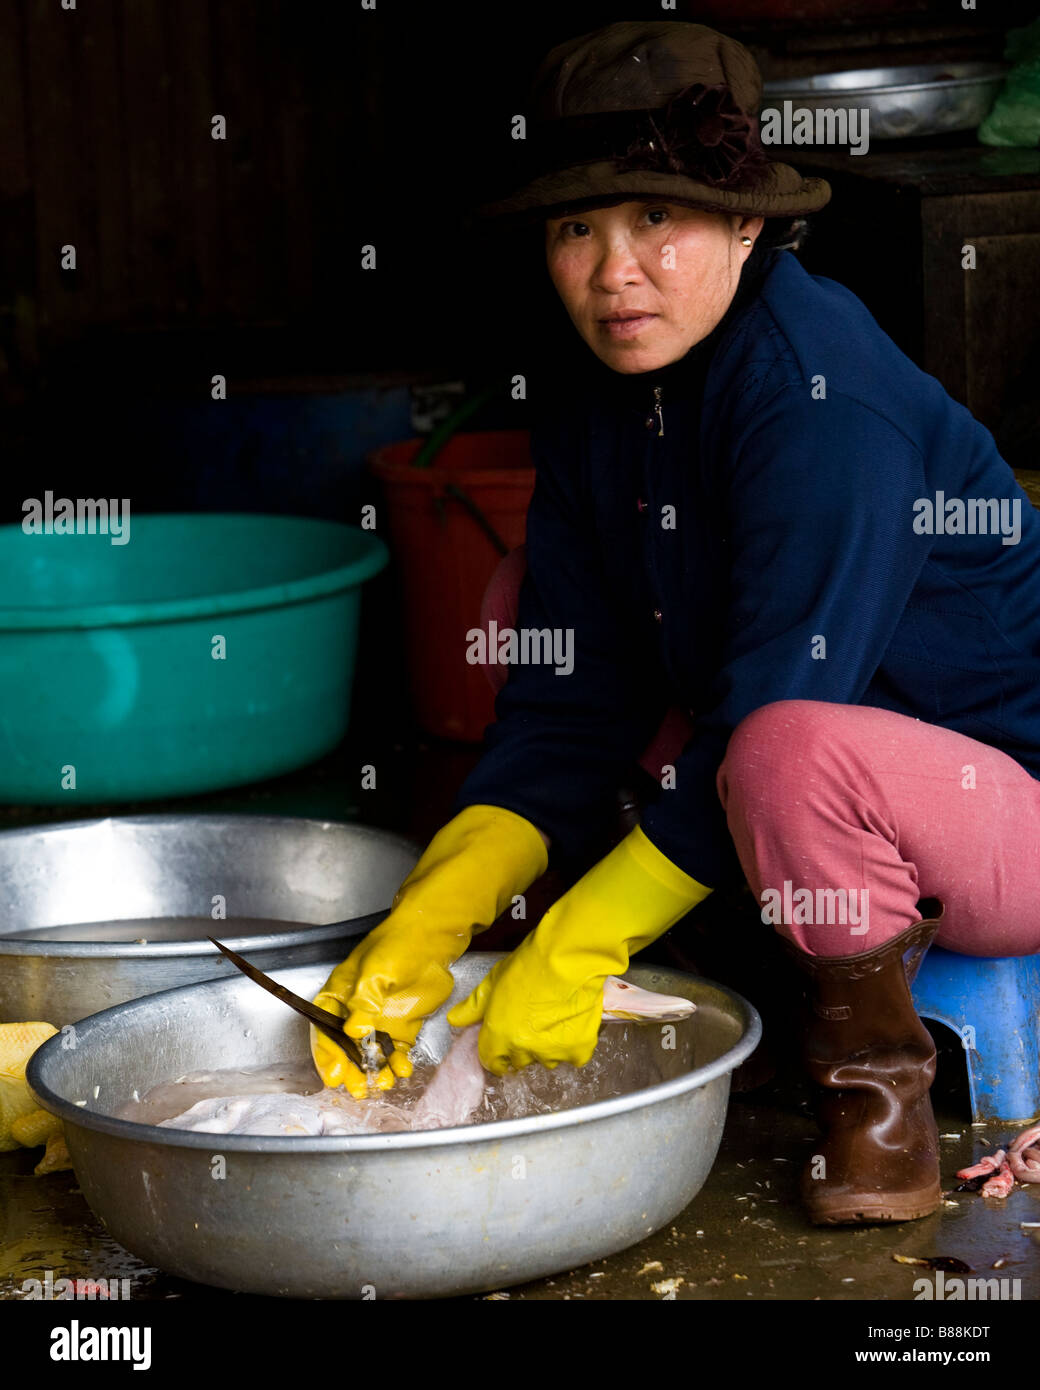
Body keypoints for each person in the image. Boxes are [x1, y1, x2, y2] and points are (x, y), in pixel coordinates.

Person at [311, 20, 1040, 1226]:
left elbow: (773, 714)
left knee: (779, 747)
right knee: (524, 613)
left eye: (660, 219)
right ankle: (731, 970)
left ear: (746, 222)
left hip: (999, 817)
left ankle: (878, 1112)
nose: (613, 272)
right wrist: (438, 907)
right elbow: (571, 692)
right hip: (812, 794)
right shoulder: (604, 396)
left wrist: (584, 933)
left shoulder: (821, 398)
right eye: (576, 228)